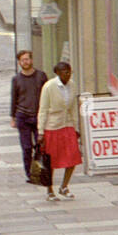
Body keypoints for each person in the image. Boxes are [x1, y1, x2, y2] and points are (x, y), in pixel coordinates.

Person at [37, 60, 82, 201]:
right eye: (64, 72)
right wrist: (41, 131)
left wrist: (75, 127)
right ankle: (49, 190)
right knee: (51, 162)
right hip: (52, 126)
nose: (68, 75)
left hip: (67, 124)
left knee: (73, 157)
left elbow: (74, 107)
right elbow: (43, 110)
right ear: (57, 73)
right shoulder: (49, 87)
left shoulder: (73, 85)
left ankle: (64, 186)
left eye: (69, 72)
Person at [10, 49, 48, 182]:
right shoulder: (16, 79)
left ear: (31, 60)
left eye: (27, 59)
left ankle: (41, 171)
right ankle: (29, 174)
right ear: (19, 63)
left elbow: (46, 96)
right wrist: (13, 118)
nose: (25, 62)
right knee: (26, 148)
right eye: (23, 60)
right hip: (23, 116)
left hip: (39, 116)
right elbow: (14, 98)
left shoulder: (41, 76)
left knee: (41, 147)